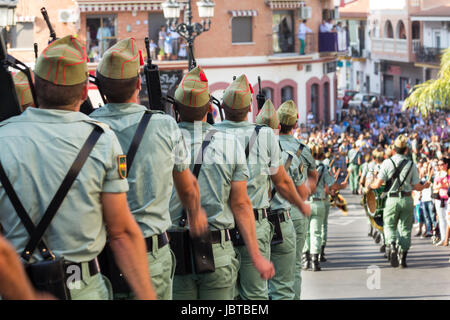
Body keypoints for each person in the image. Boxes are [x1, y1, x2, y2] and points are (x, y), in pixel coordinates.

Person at [0, 35, 155, 300]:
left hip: (16, 288)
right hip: (82, 286)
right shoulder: (101, 140)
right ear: (84, 92)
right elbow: (121, 233)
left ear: (35, 86)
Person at [90, 38, 206, 300]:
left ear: (102, 90)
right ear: (138, 84)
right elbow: (187, 189)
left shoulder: (87, 127)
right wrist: (195, 213)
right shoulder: (165, 126)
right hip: (150, 255)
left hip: (102, 261)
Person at [169, 68, 274, 300]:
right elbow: (241, 204)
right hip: (217, 249)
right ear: (209, 109)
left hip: (174, 251)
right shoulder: (228, 144)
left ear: (175, 109)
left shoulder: (161, 140)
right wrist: (255, 255)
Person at [214, 75, 311, 300]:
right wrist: (300, 204)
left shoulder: (211, 132)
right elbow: (281, 180)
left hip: (221, 224)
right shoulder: (265, 134)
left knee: (226, 295)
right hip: (256, 222)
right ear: (249, 108)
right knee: (256, 294)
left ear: (223, 108)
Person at [269, 100, 313, 300]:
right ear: (295, 124)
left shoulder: (268, 144)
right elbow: (313, 178)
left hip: (269, 209)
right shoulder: (303, 149)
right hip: (293, 211)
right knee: (293, 266)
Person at [370, 135, 431, 268]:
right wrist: (425, 186)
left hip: (391, 199)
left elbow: (378, 184)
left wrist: (371, 184)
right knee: (405, 229)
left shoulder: (387, 163)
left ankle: (391, 245)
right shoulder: (411, 164)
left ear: (394, 150)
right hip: (407, 199)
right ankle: (403, 257)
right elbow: (416, 186)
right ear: (406, 150)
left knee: (389, 225)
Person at [302, 144, 346, 272]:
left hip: (305, 202)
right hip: (319, 202)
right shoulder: (324, 167)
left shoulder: (302, 166)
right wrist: (342, 186)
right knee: (316, 232)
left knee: (306, 232)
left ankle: (306, 259)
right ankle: (315, 261)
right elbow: (332, 185)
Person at [433, 159, 449, 246]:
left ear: (446, 164)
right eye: (438, 164)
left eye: (441, 164)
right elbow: (434, 187)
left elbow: (448, 185)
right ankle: (443, 238)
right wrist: (442, 185)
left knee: (448, 219)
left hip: (447, 198)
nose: (440, 166)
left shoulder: (448, 173)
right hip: (439, 199)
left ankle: (447, 238)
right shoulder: (437, 174)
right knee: (441, 219)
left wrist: (440, 185)